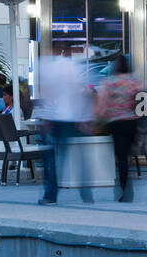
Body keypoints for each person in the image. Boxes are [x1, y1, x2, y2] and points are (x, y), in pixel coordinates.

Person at [36, 47, 94, 206]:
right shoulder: (74, 67)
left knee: (52, 159)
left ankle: (50, 195)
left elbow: (49, 94)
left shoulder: (50, 66)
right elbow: (78, 92)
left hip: (57, 118)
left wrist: (46, 119)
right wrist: (82, 118)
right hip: (72, 117)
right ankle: (86, 193)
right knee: (77, 157)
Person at [94, 55, 141, 202]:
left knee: (121, 158)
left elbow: (102, 107)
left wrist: (97, 122)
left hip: (116, 122)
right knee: (126, 155)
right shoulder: (135, 83)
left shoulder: (108, 83)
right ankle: (126, 184)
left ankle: (124, 188)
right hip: (132, 122)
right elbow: (141, 103)